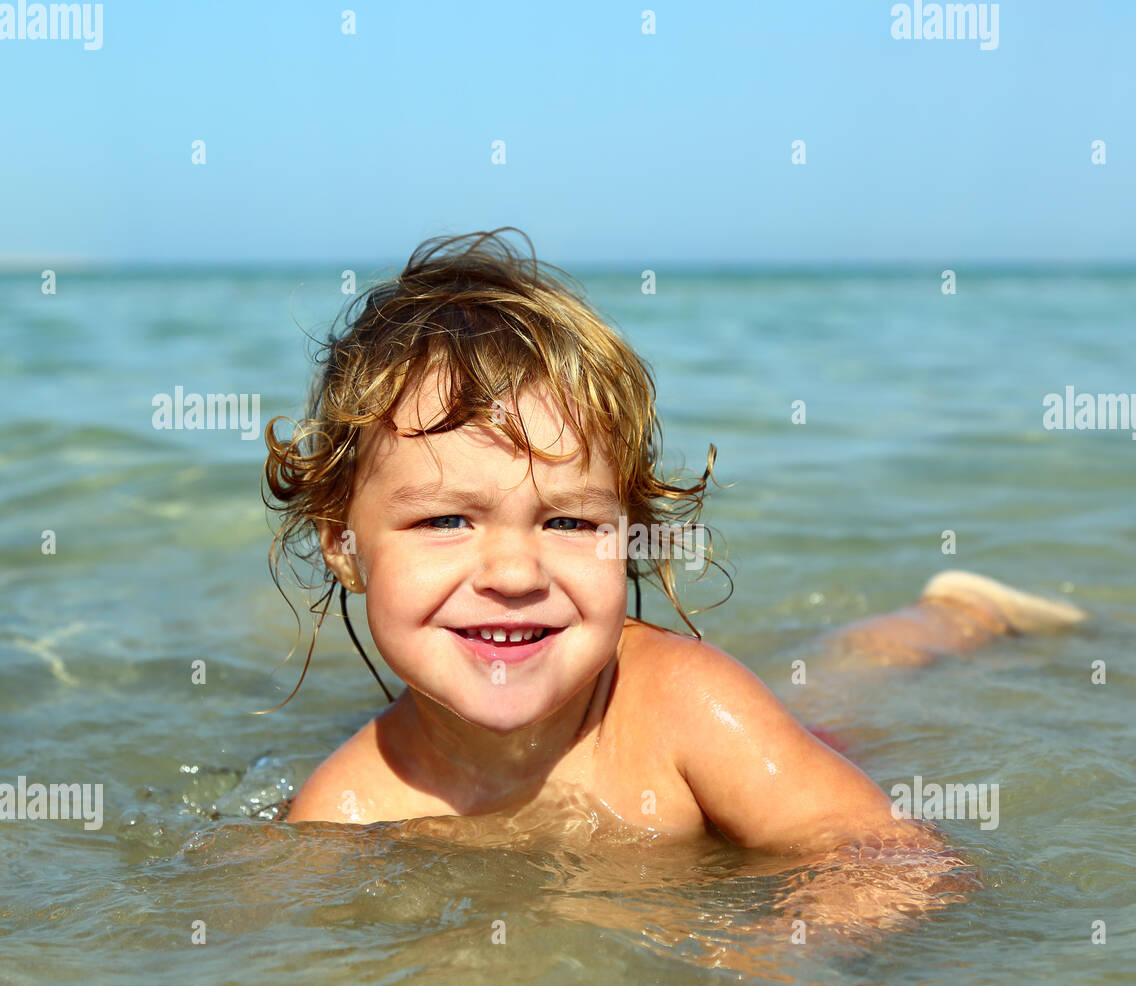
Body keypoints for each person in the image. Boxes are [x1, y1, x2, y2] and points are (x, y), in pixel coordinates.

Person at [264, 229, 1084, 853]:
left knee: (851, 685)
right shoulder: (346, 808)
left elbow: (895, 861)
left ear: (631, 537)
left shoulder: (691, 711)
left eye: (570, 521)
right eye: (447, 520)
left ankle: (953, 614)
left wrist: (766, 974)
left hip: (766, 740)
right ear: (341, 544)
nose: (514, 571)